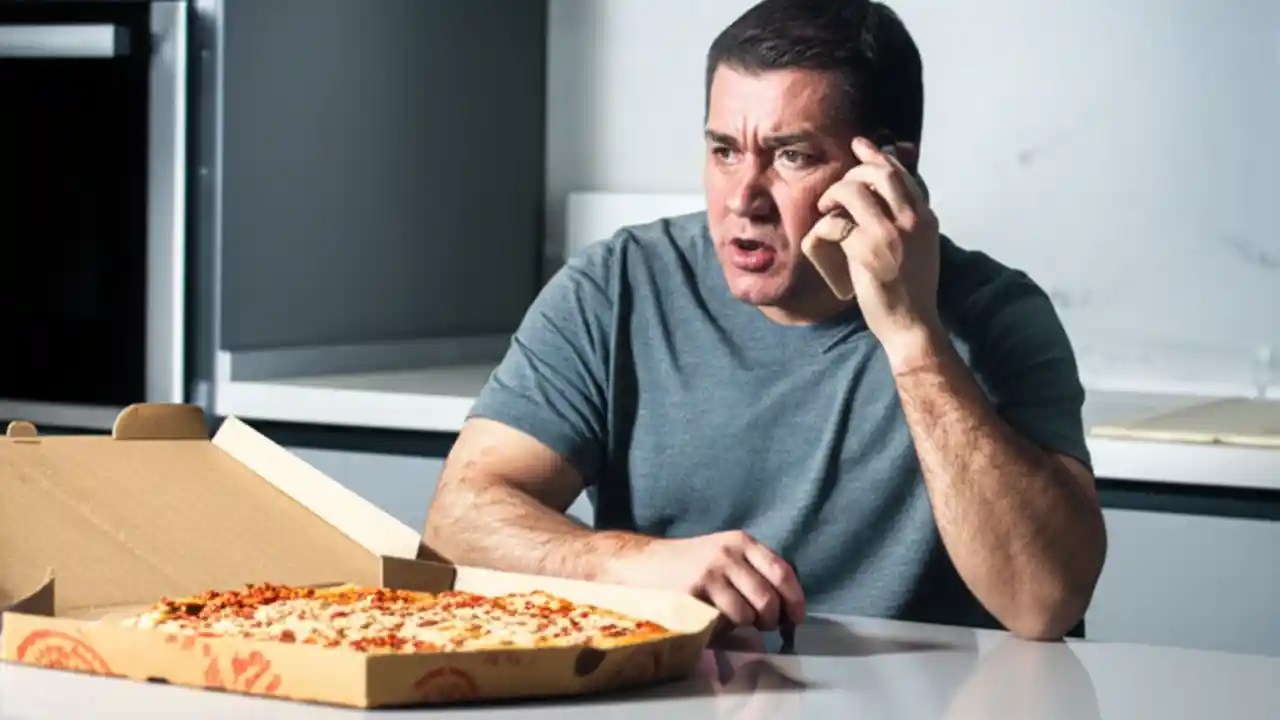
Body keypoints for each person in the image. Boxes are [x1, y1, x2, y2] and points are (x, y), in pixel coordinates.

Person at [424, 0, 1107, 640]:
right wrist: (633, 566)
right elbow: (457, 520)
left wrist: (911, 334)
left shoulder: (996, 314)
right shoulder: (617, 285)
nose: (743, 198)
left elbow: (1043, 602)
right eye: (724, 150)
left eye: (791, 155)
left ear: (889, 171)